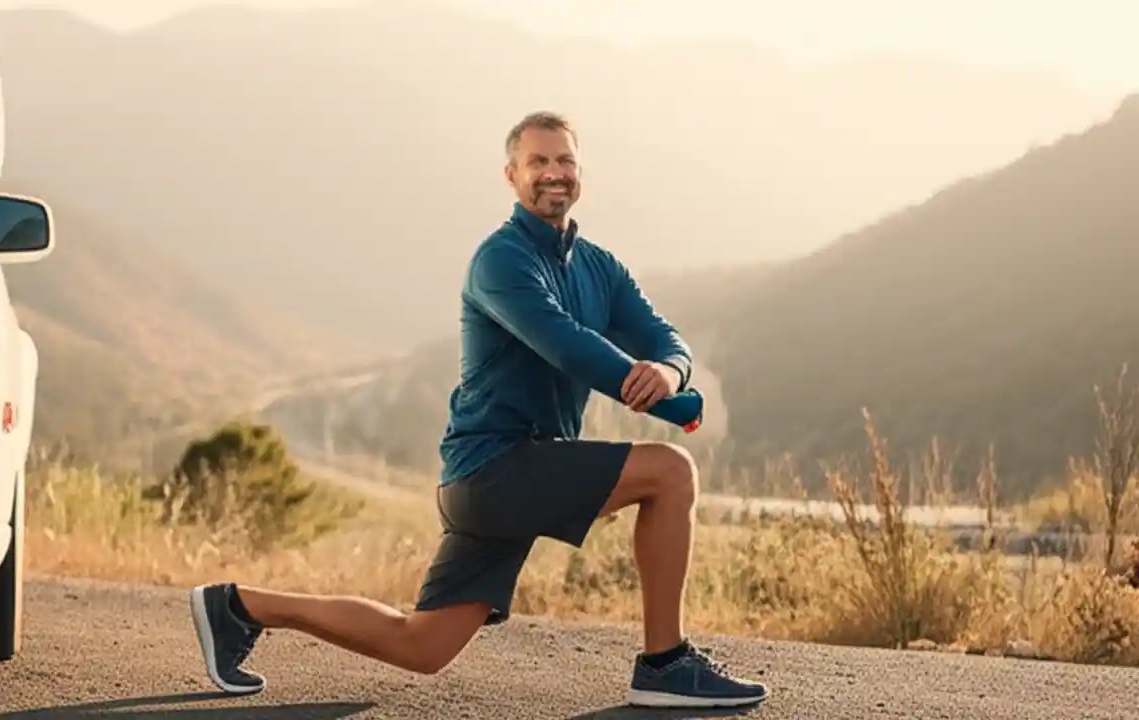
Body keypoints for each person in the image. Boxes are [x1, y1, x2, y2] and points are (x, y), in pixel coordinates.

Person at [187, 111, 770, 709]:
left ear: (580, 172)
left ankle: (236, 607)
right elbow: (568, 346)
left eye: (565, 161)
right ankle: (665, 664)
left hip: (514, 473)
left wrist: (669, 371)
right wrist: (649, 392)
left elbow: (664, 337)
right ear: (512, 175)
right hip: (495, 468)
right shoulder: (501, 261)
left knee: (423, 646)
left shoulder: (600, 266)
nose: (553, 173)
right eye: (538, 162)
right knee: (670, 473)